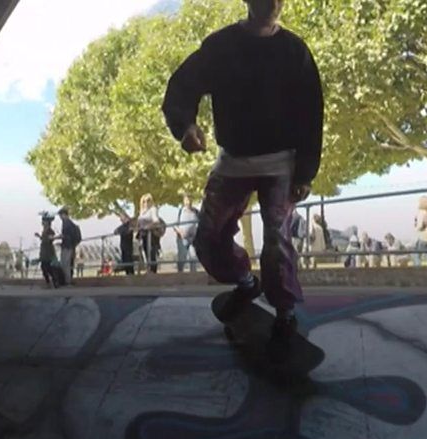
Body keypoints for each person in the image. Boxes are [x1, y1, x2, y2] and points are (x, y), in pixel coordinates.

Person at [163, 0, 324, 356]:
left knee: (277, 241)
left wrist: (306, 170)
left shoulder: (294, 51)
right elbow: (182, 85)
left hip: (282, 163)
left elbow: (312, 111)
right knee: (208, 236)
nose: (274, 5)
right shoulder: (221, 46)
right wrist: (185, 125)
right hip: (233, 159)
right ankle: (246, 282)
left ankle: (284, 312)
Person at [136, 194, 164, 274]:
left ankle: (153, 271)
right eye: (144, 201)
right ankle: (148, 269)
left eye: (148, 201)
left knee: (151, 252)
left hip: (151, 234)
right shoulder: (142, 212)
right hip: (143, 235)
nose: (146, 203)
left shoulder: (153, 209)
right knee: (145, 252)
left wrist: (148, 226)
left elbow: (156, 221)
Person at [175, 194, 200, 273]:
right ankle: (180, 274)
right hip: (182, 238)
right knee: (182, 258)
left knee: (193, 257)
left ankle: (193, 276)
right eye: (186, 200)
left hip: (193, 238)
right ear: (184, 201)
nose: (188, 202)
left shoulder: (196, 211)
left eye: (190, 200)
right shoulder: (180, 211)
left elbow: (200, 223)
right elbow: (175, 225)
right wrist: (180, 232)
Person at [58, 207, 82, 285]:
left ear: (64, 215)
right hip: (70, 246)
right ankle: (67, 280)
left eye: (60, 216)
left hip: (67, 246)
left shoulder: (66, 223)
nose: (60, 217)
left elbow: (65, 235)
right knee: (67, 264)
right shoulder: (71, 223)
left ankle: (67, 281)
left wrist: (55, 237)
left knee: (65, 264)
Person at [36, 216, 59, 288]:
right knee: (44, 267)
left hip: (48, 252)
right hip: (44, 251)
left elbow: (49, 240)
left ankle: (54, 282)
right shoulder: (44, 230)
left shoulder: (50, 231)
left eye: (44, 222)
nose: (43, 223)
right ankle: (49, 282)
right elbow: (44, 239)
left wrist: (42, 237)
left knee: (48, 267)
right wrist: (40, 236)